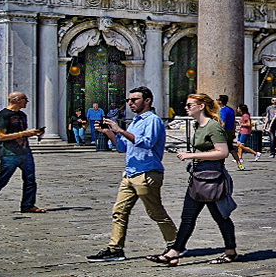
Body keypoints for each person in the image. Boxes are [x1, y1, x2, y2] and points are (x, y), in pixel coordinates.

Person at [86, 86, 177, 262]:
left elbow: (147, 143)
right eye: (129, 100)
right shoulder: (135, 122)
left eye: (134, 100)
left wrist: (120, 130)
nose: (130, 103)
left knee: (155, 212)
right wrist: (109, 133)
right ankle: (115, 249)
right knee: (119, 211)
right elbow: (122, 147)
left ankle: (175, 244)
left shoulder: (153, 120)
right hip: (130, 173)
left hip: (147, 173)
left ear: (147, 100)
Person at [149, 94, 238, 266]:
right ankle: (174, 252)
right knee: (188, 217)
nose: (186, 108)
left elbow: (223, 152)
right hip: (198, 177)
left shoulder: (213, 127)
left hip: (212, 178)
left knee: (221, 217)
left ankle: (230, 252)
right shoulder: (198, 125)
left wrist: (192, 155)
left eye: (190, 105)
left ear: (201, 106)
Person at [0, 90, 46, 215]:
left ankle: (28, 205)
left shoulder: (22, 115)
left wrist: (33, 133)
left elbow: (20, 133)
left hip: (24, 152)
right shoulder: (3, 116)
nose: (27, 101)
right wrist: (24, 133)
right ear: (16, 100)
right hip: (9, 153)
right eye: (25, 99)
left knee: (30, 180)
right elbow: (1, 136)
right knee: (2, 179)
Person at [217, 95, 242, 171]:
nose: (216, 101)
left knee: (220, 148)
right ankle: (239, 163)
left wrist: (220, 132)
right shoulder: (231, 110)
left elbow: (223, 123)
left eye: (217, 99)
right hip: (230, 130)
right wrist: (233, 132)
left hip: (225, 131)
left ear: (220, 101)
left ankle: (221, 164)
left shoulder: (223, 110)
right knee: (231, 148)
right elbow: (234, 122)